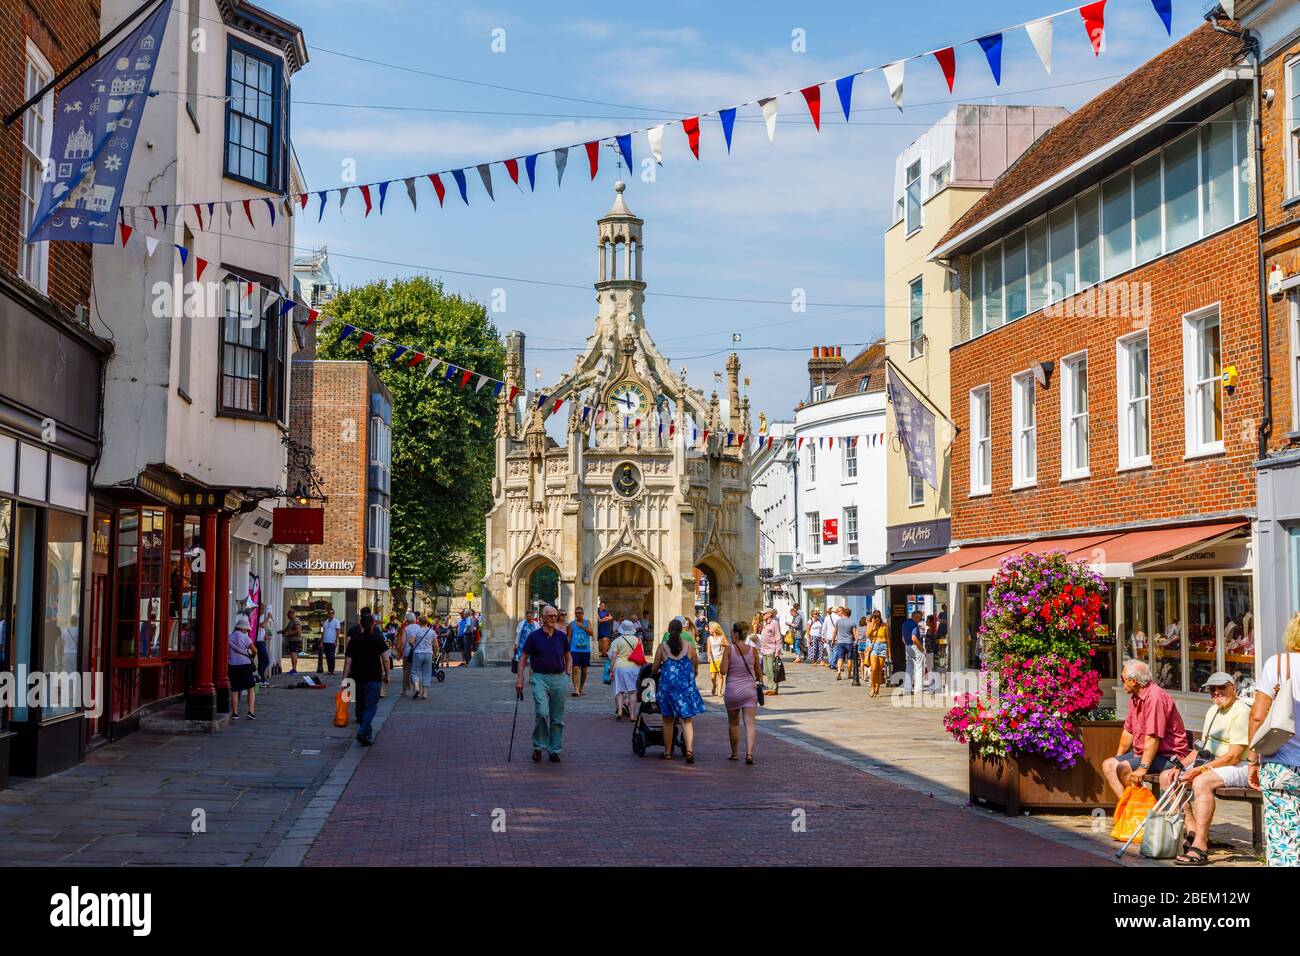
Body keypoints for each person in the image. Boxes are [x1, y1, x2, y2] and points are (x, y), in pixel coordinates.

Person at [1157, 672, 1251, 866]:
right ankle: (1193, 829)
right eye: (1212, 689)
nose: (1216, 692)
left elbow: (1234, 755)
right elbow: (1201, 748)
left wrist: (1199, 770)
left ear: (1233, 687)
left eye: (1221, 687)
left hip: (1239, 764)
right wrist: (1181, 766)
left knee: (1201, 781)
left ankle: (1200, 845)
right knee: (1168, 777)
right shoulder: (1213, 711)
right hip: (1214, 761)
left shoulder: (1241, 711)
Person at [1247, 615, 1300, 867]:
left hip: (1280, 764)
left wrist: (1252, 761)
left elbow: (1257, 716)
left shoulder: (1277, 665)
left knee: (1282, 838)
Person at [1102, 659, 1193, 800]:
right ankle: (1130, 809)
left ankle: (1141, 809)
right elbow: (1128, 732)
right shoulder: (1135, 697)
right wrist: (1117, 758)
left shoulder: (1155, 698)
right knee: (1109, 765)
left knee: (1123, 768)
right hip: (1147, 753)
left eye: (1123, 678)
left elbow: (1152, 737)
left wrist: (1142, 768)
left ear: (1133, 681)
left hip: (1168, 756)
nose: (1121, 682)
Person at [516, 605, 571, 762]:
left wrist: (567, 673)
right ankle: (539, 746)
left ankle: (554, 749)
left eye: (556, 615)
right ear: (543, 618)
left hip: (559, 677)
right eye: (551, 616)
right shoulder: (534, 637)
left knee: (557, 718)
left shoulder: (561, 636)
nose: (555, 618)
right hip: (539, 677)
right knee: (542, 712)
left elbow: (568, 656)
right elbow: (523, 658)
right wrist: (519, 679)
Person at [651, 618, 706, 763]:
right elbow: (695, 665)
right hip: (685, 689)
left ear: (668, 631)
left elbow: (654, 667)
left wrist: (657, 670)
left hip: (667, 688)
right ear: (682, 631)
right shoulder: (689, 646)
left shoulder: (662, 647)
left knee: (667, 720)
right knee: (687, 720)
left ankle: (667, 752)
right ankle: (689, 751)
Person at [343, 611, 388, 745]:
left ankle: (367, 734)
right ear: (373, 625)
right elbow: (386, 659)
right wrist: (387, 674)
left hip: (357, 678)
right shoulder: (377, 639)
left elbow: (348, 661)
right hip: (374, 677)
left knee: (362, 706)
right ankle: (363, 732)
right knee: (370, 707)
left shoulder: (354, 640)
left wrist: (345, 680)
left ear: (360, 624)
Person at [720, 620, 760, 764]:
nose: (730, 634)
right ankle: (749, 753)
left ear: (736, 634)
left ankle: (735, 753)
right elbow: (759, 673)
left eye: (731, 632)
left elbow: (723, 671)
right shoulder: (753, 650)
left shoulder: (729, 649)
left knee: (733, 723)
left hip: (733, 691)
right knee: (750, 724)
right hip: (749, 690)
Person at [610, 620, 641, 720]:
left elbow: (613, 656)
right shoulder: (637, 640)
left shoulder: (617, 640)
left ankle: (619, 711)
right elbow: (641, 654)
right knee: (632, 692)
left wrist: (611, 669)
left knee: (619, 691)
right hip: (634, 667)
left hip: (619, 667)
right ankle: (632, 715)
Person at [228, 614, 257, 720]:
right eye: (247, 629)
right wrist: (251, 656)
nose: (248, 631)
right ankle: (251, 711)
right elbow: (255, 650)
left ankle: (235, 713)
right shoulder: (245, 637)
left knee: (234, 689)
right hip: (245, 665)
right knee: (250, 688)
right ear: (243, 628)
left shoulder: (229, 636)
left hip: (232, 665)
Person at [405, 613, 438, 700]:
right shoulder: (432, 632)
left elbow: (410, 641)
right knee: (427, 673)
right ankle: (425, 693)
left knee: (415, 671)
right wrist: (434, 653)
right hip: (428, 653)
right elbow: (436, 645)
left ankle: (416, 687)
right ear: (427, 622)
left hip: (418, 653)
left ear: (419, 622)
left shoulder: (416, 631)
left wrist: (415, 647)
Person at [568, 606, 594, 697]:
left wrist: (582, 627)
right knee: (575, 669)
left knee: (584, 670)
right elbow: (569, 637)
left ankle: (581, 688)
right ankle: (576, 690)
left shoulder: (588, 622)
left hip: (585, 650)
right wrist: (567, 649)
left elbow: (592, 633)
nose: (577, 615)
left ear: (583, 614)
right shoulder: (572, 624)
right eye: (576, 613)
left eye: (579, 613)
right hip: (574, 649)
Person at [759, 609, 784, 695]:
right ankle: (770, 687)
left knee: (773, 670)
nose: (762, 615)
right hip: (765, 650)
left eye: (764, 614)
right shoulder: (765, 623)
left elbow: (778, 637)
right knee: (767, 671)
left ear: (769, 614)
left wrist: (777, 651)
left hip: (771, 650)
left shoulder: (774, 623)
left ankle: (774, 689)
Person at [866, 610, 889, 697]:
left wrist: (889, 652)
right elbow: (868, 635)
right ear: (873, 617)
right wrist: (873, 627)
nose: (877, 618)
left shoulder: (884, 626)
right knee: (874, 668)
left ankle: (878, 689)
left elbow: (887, 639)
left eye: (878, 617)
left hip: (883, 647)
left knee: (879, 670)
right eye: (875, 617)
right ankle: (872, 687)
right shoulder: (870, 625)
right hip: (874, 647)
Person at [831, 606, 856, 681]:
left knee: (840, 658)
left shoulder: (838, 621)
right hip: (849, 642)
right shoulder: (852, 622)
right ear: (850, 614)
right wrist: (856, 641)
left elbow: (835, 631)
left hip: (840, 642)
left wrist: (833, 640)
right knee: (849, 659)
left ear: (844, 613)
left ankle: (839, 671)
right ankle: (849, 673)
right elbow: (855, 634)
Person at [902, 610, 924, 690]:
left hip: (907, 646)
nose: (920, 620)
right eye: (920, 618)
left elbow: (903, 638)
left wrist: (907, 645)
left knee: (909, 668)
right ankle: (918, 689)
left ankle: (907, 688)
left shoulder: (904, 624)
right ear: (916, 616)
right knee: (918, 668)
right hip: (915, 647)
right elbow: (914, 638)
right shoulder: (914, 624)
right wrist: (921, 647)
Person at [706, 621, 727, 696]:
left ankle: (720, 691)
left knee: (720, 675)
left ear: (714, 629)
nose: (709, 630)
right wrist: (708, 656)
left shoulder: (722, 637)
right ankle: (714, 685)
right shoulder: (709, 638)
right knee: (713, 677)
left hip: (720, 658)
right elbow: (709, 648)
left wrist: (723, 644)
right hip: (713, 659)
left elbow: (728, 645)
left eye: (710, 629)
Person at [278, 609, 302, 675]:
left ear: (292, 614)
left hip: (295, 640)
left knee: (293, 653)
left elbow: (298, 630)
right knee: (292, 653)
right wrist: (278, 632)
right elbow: (286, 629)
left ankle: (294, 669)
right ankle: (293, 668)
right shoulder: (291, 621)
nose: (288, 617)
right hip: (292, 640)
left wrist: (288, 634)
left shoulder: (296, 621)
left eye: (288, 615)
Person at [319, 607, 340, 675]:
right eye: (329, 613)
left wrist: (336, 641)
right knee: (327, 656)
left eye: (332, 613)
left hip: (332, 642)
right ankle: (329, 670)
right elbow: (323, 632)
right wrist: (321, 642)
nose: (331, 614)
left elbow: (338, 632)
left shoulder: (336, 622)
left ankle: (332, 670)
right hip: (326, 642)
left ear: (334, 614)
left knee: (332, 656)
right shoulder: (325, 622)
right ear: (327, 614)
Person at [255, 613, 272, 685]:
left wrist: (266, 636)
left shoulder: (261, 617)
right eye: (261, 608)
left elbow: (261, 629)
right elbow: (262, 625)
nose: (263, 610)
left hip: (262, 641)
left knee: (262, 661)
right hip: (259, 642)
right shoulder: (257, 616)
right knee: (266, 661)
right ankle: (259, 678)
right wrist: (268, 617)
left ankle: (262, 680)